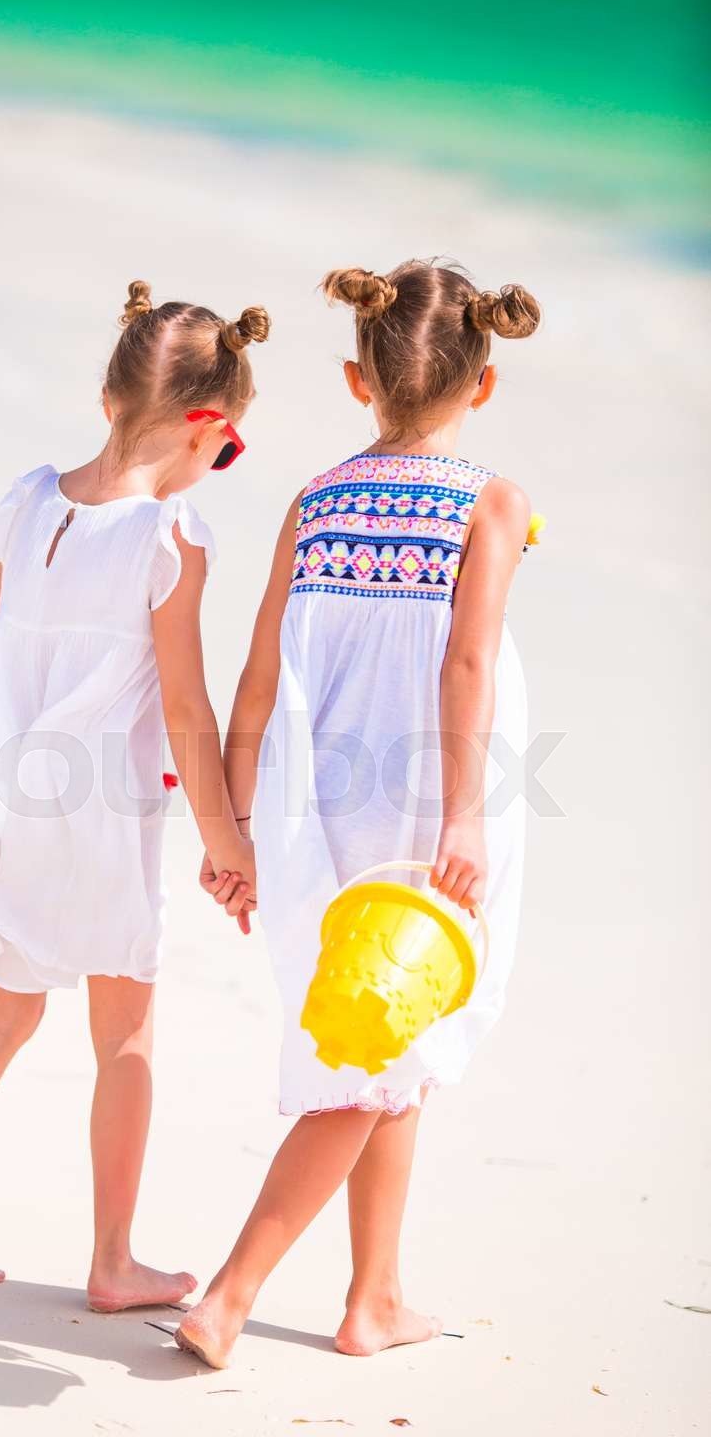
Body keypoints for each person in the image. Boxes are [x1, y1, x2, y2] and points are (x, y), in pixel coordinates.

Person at [0, 281, 267, 1310]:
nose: (219, 470)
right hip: (102, 815)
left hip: (15, 798)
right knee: (123, 1034)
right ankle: (114, 1259)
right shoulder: (170, 540)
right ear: (207, 429)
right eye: (228, 452)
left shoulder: (27, 499)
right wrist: (228, 847)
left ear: (106, 396)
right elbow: (185, 710)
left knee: (2, 1016)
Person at [178, 259, 539, 1366]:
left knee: (394, 1046)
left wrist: (233, 833)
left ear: (355, 379)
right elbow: (466, 662)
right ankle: (228, 1294)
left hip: (306, 807)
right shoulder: (491, 498)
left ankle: (373, 1296)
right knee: (367, 1050)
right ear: (481, 384)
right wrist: (464, 818)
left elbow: (254, 679)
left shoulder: (314, 498)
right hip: (423, 802)